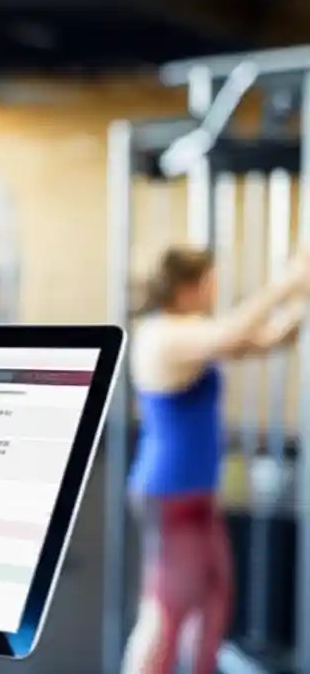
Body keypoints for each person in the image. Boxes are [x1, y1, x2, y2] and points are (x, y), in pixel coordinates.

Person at [122, 246, 310, 674]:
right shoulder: (162, 335)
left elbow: (267, 339)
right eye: (210, 280)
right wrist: (289, 281)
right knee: (166, 610)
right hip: (170, 493)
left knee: (215, 595)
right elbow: (230, 333)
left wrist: (304, 299)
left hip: (198, 492)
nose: (215, 289)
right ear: (190, 286)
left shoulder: (190, 332)